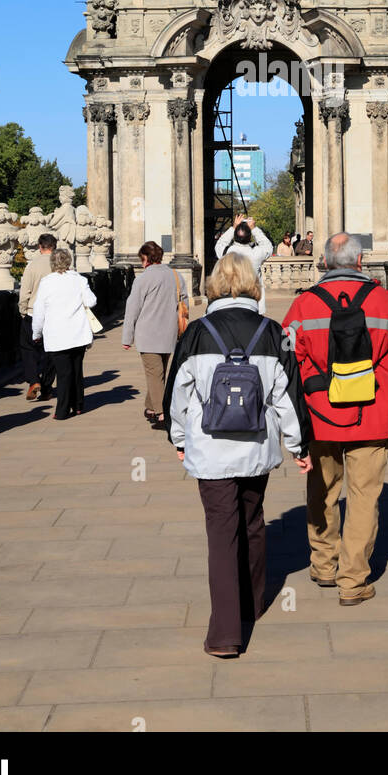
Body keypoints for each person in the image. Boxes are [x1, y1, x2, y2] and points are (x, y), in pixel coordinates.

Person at [163, 252, 312, 658]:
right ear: (252, 283)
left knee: (221, 532)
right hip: (256, 445)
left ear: (214, 284)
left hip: (210, 450)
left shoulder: (196, 332)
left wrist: (178, 439)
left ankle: (225, 633)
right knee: (253, 521)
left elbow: (177, 394)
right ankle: (253, 601)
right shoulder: (274, 332)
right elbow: (287, 398)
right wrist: (300, 447)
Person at [283, 232, 388, 606]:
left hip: (321, 414)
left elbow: (286, 360)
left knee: (321, 492)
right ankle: (353, 580)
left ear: (325, 262)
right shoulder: (382, 300)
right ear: (360, 262)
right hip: (373, 413)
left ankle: (323, 565)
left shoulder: (304, 305)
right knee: (364, 497)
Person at [122, 241, 189, 427]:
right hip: (169, 332)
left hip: (148, 333)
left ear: (145, 258)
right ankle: (151, 406)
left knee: (154, 373)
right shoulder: (175, 275)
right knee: (159, 372)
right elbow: (184, 303)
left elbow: (132, 309)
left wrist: (127, 337)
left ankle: (162, 413)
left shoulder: (143, 279)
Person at [31, 249, 96, 420]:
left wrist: (36, 332)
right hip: (78, 332)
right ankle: (79, 404)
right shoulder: (79, 280)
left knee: (63, 373)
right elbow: (91, 301)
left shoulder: (46, 282)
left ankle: (63, 409)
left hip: (57, 334)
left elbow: (39, 311)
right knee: (76, 370)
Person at [18, 232, 56, 400]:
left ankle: (34, 381)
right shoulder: (60, 264)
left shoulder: (32, 265)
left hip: (33, 312)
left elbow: (24, 291)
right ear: (54, 247)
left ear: (40, 247)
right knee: (51, 352)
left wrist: (23, 310)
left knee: (28, 349)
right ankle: (47, 387)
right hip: (54, 314)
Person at [215, 215, 272, 315]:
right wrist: (254, 229)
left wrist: (234, 227)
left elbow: (220, 244)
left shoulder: (226, 252)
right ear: (250, 237)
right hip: (253, 304)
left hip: (230, 302)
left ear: (234, 236)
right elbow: (267, 246)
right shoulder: (256, 254)